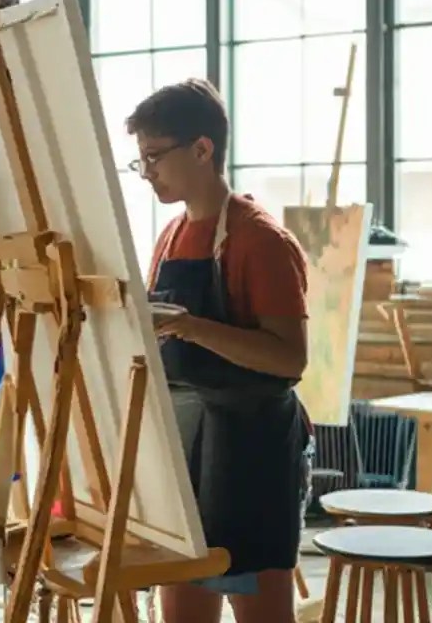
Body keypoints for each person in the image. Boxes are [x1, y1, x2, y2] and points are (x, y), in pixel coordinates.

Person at [128, 78, 313, 623]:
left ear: (203, 150)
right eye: (141, 161)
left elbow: (289, 360)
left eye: (155, 157)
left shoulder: (260, 241)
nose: (148, 173)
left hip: (252, 448)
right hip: (189, 444)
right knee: (182, 609)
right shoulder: (169, 235)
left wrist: (192, 327)